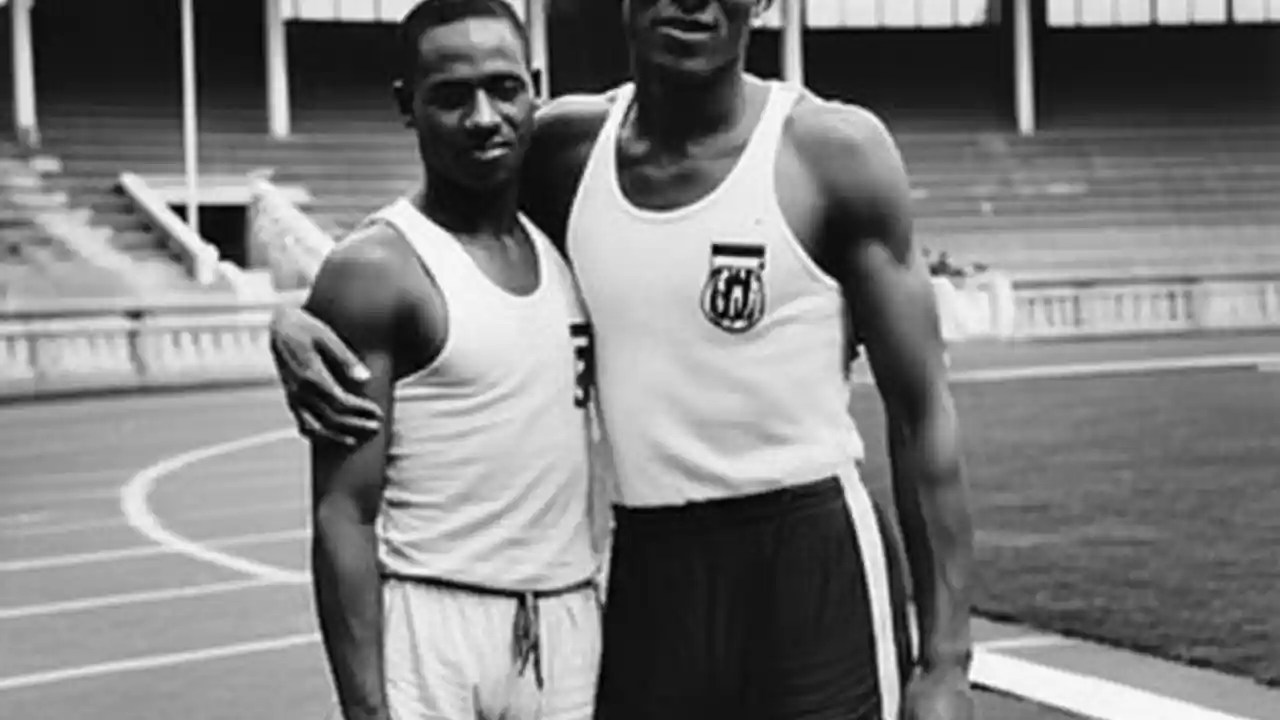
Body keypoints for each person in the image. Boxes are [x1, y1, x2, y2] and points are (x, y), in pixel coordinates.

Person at [274, 1, 975, 719]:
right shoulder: (564, 152)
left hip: (809, 553)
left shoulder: (832, 153)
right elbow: (430, 230)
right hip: (649, 565)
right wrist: (297, 319)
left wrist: (947, 661)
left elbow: (922, 413)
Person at [300, 2, 605, 719]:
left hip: (567, 620)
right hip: (433, 624)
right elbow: (343, 512)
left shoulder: (572, 244)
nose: (482, 117)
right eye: (449, 95)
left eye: (503, 88)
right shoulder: (377, 270)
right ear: (408, 106)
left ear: (535, 90)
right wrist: (367, 708)